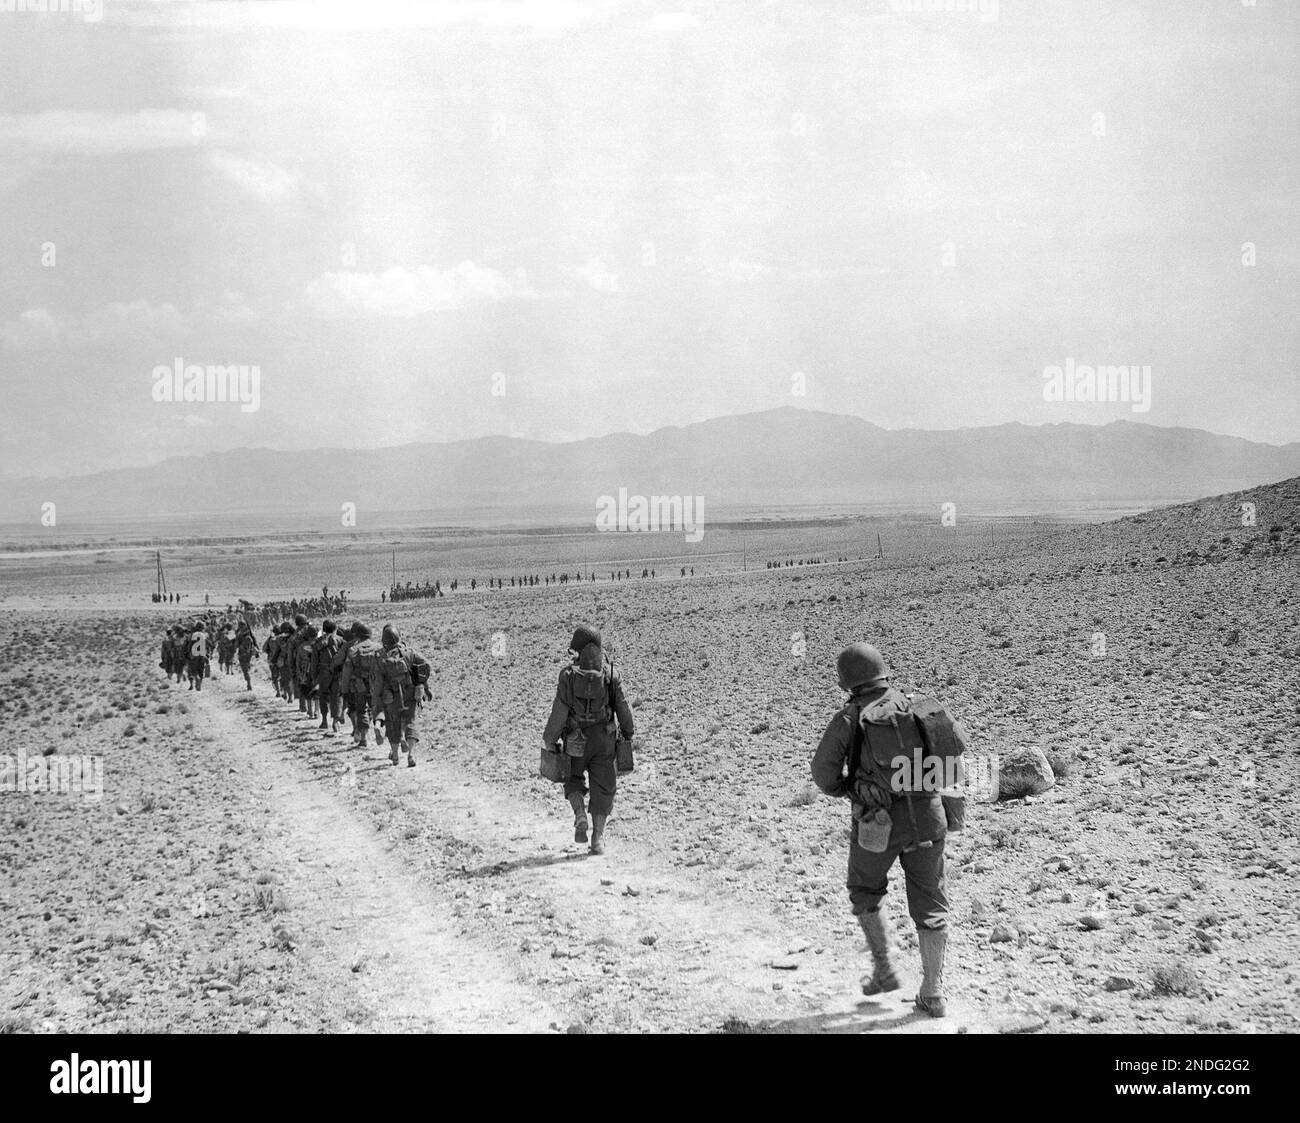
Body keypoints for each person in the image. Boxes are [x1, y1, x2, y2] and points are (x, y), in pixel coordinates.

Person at [810, 643, 961, 1018]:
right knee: (931, 902)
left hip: (877, 823)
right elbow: (954, 753)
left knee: (864, 889)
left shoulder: (849, 719)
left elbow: (823, 775)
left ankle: (883, 967)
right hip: (928, 816)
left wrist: (852, 789)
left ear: (847, 682)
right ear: (883, 671)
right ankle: (933, 990)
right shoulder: (920, 707)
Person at [541, 624, 634, 855]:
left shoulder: (568, 676)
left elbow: (559, 712)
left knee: (572, 778)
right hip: (604, 741)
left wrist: (550, 740)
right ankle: (598, 839)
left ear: (579, 650)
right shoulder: (611, 675)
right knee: (604, 788)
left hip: (575, 740)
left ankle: (580, 815)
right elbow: (623, 709)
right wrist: (628, 733)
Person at [370, 624, 431, 768]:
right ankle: (411, 754)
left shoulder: (379, 657)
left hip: (390, 697)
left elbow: (377, 681)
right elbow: (426, 665)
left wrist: (376, 699)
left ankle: (395, 755)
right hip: (410, 694)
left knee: (393, 724)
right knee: (411, 721)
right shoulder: (408, 653)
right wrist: (421, 684)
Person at [313, 619, 344, 734]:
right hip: (337, 672)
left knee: (323, 696)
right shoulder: (341, 641)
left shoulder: (318, 642)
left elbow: (314, 661)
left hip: (323, 672)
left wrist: (314, 676)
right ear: (335, 629)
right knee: (337, 697)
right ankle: (336, 721)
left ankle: (324, 720)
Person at [235, 620, 259, 691]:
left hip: (242, 654)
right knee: (246, 666)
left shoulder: (239, 634)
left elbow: (236, 645)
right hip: (249, 654)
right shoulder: (249, 634)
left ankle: (249, 684)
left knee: (245, 670)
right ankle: (248, 674)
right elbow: (255, 642)